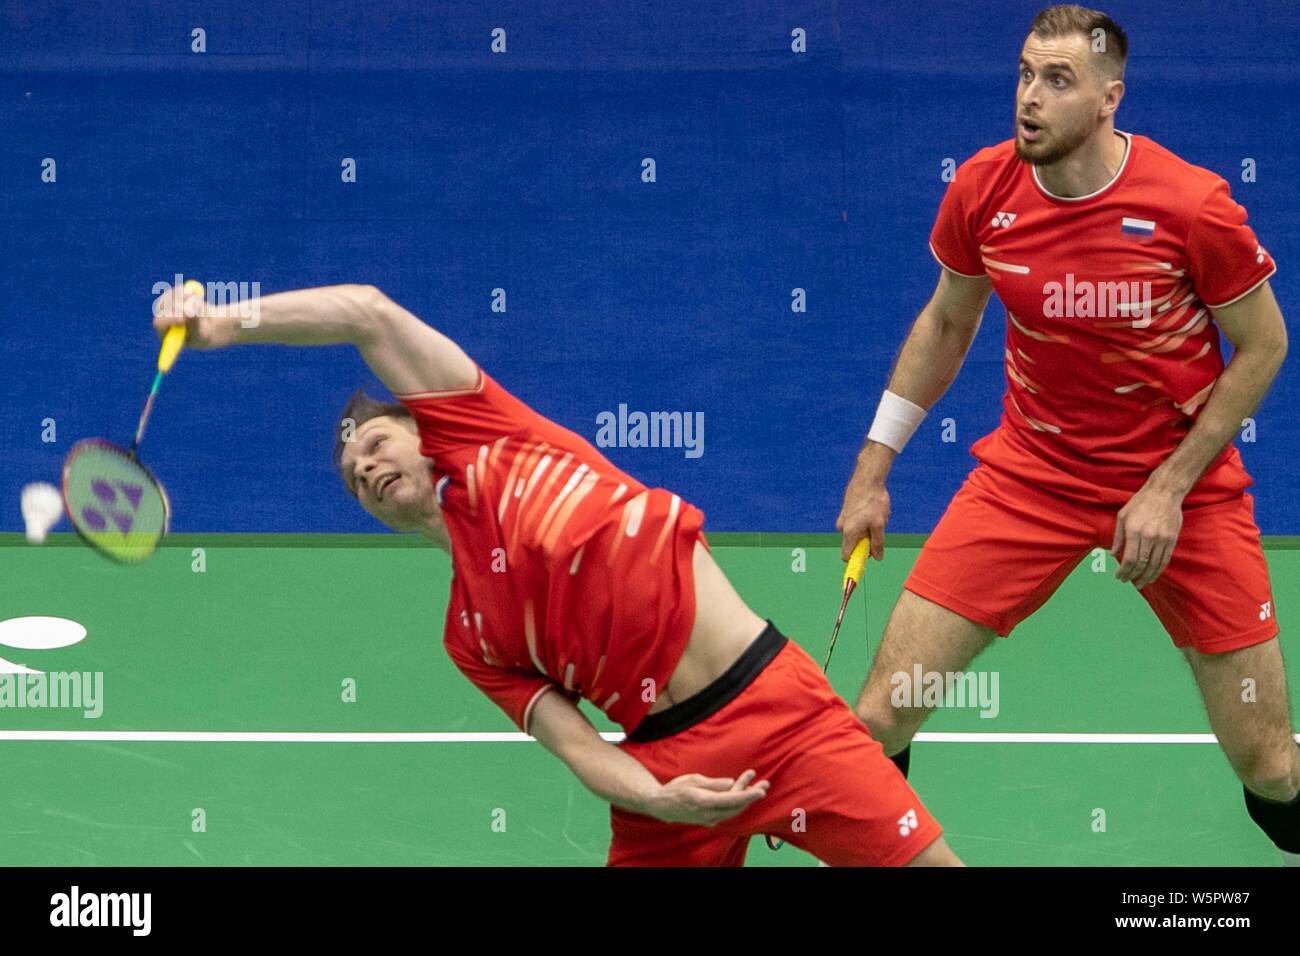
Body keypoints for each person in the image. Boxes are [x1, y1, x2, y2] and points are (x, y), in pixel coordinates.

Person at [152, 280, 961, 866]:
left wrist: (226, 321)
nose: (365, 468)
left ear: (423, 426)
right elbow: (577, 748)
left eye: (374, 444)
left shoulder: (485, 430)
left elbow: (365, 311)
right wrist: (655, 797)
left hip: (775, 708)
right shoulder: (469, 635)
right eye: (354, 478)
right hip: (663, 767)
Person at [838, 4, 1297, 865]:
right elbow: (947, 322)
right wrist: (874, 466)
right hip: (1032, 476)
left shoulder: (1191, 206)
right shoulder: (984, 188)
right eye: (1024, 74)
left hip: (1182, 487)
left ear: (1109, 98)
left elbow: (1265, 343)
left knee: (1271, 768)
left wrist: (1168, 487)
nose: (1030, 97)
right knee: (878, 717)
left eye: (1058, 80)